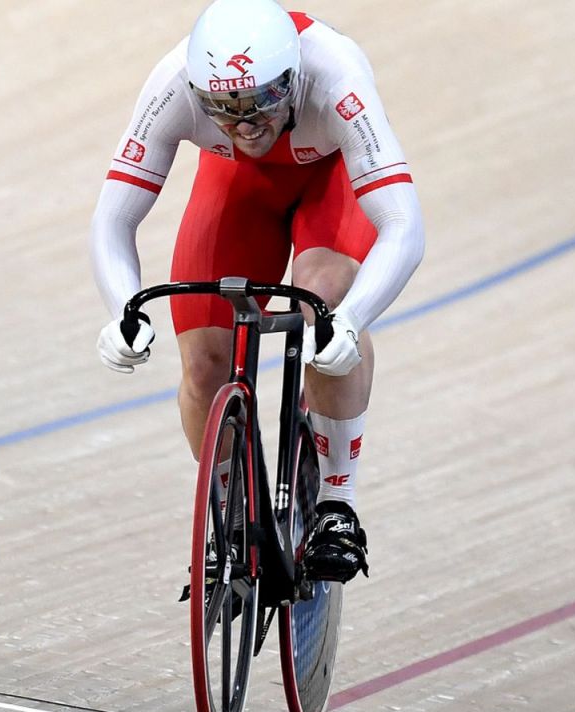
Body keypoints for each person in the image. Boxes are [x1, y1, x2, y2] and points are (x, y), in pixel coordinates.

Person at [90, 0, 424, 583]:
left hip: (331, 180)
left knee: (322, 303)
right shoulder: (174, 84)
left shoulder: (336, 76)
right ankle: (229, 520)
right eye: (224, 110)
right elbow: (114, 218)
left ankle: (337, 506)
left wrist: (351, 320)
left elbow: (403, 224)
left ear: (292, 80)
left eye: (262, 104)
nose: (246, 127)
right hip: (239, 188)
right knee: (204, 365)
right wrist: (122, 308)